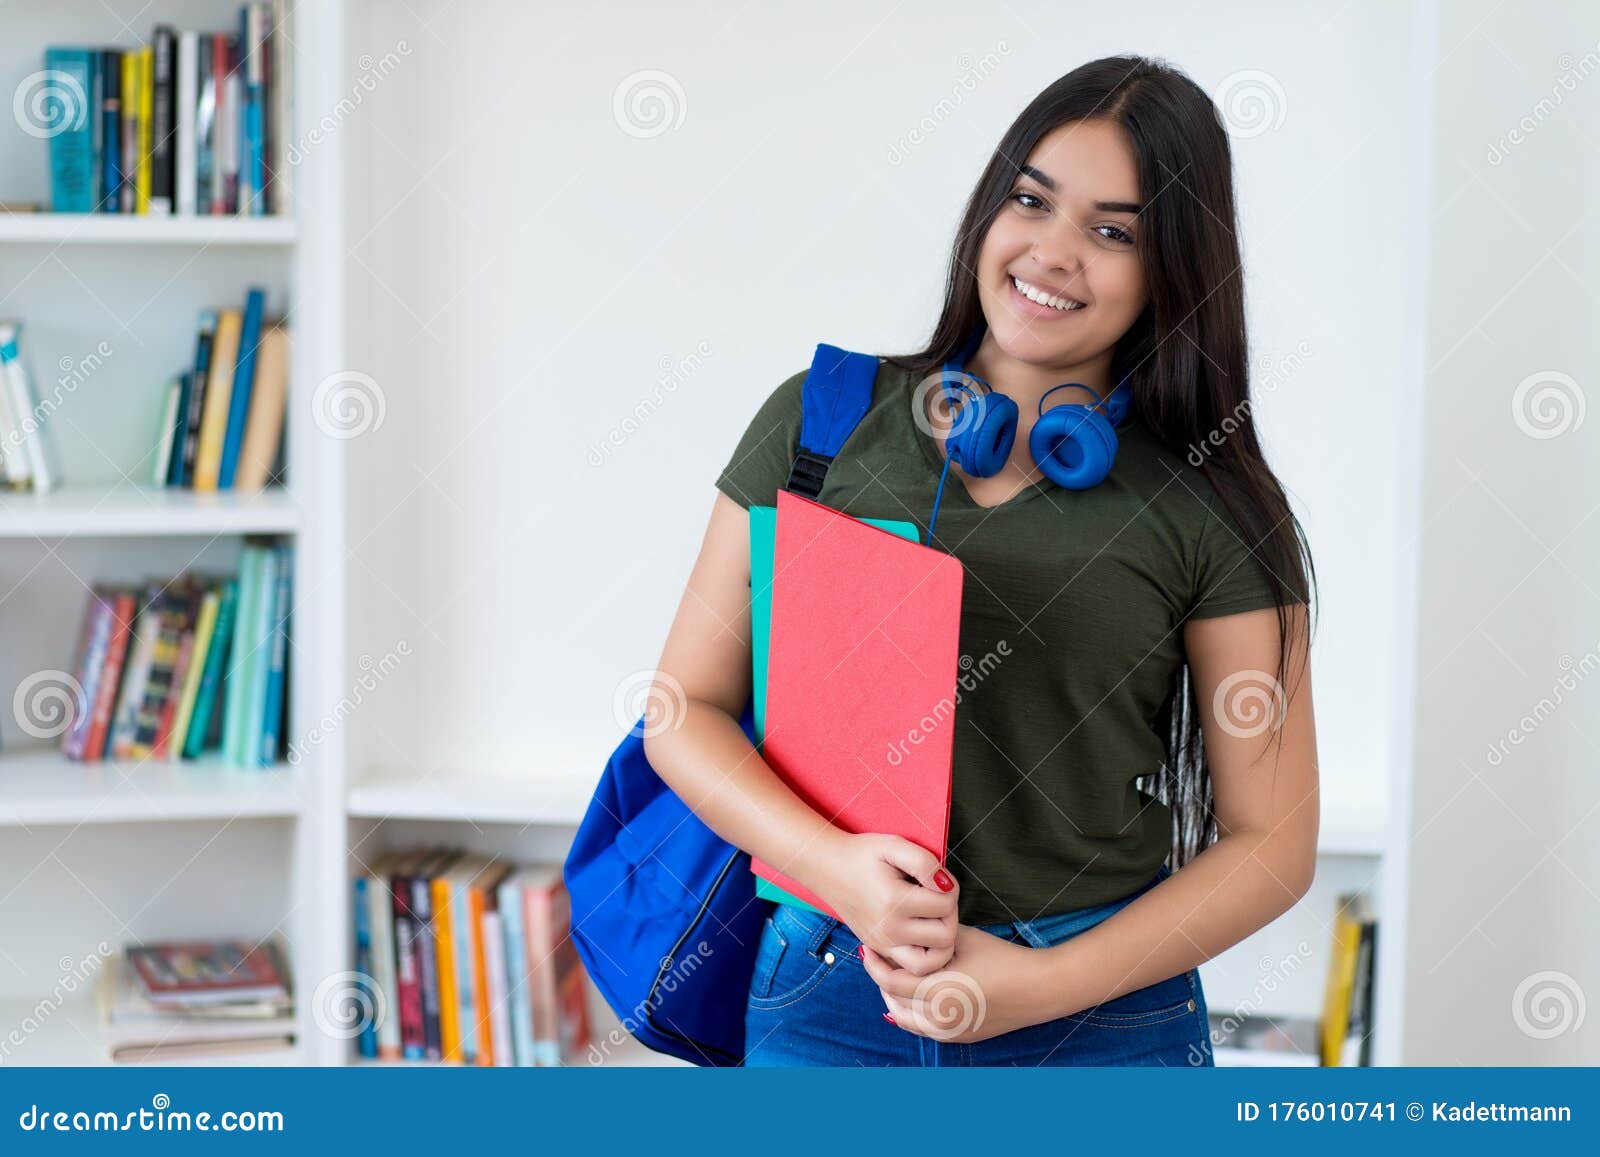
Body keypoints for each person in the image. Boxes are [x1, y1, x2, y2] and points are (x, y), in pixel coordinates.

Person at [641, 54, 1318, 1067]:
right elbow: (679, 709)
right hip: (829, 985)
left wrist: (1037, 984)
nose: (1050, 253)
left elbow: (1273, 842)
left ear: (1171, 267)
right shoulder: (821, 426)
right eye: (1029, 201)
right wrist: (836, 867)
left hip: (1097, 1019)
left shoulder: (1210, 500)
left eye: (1110, 230)